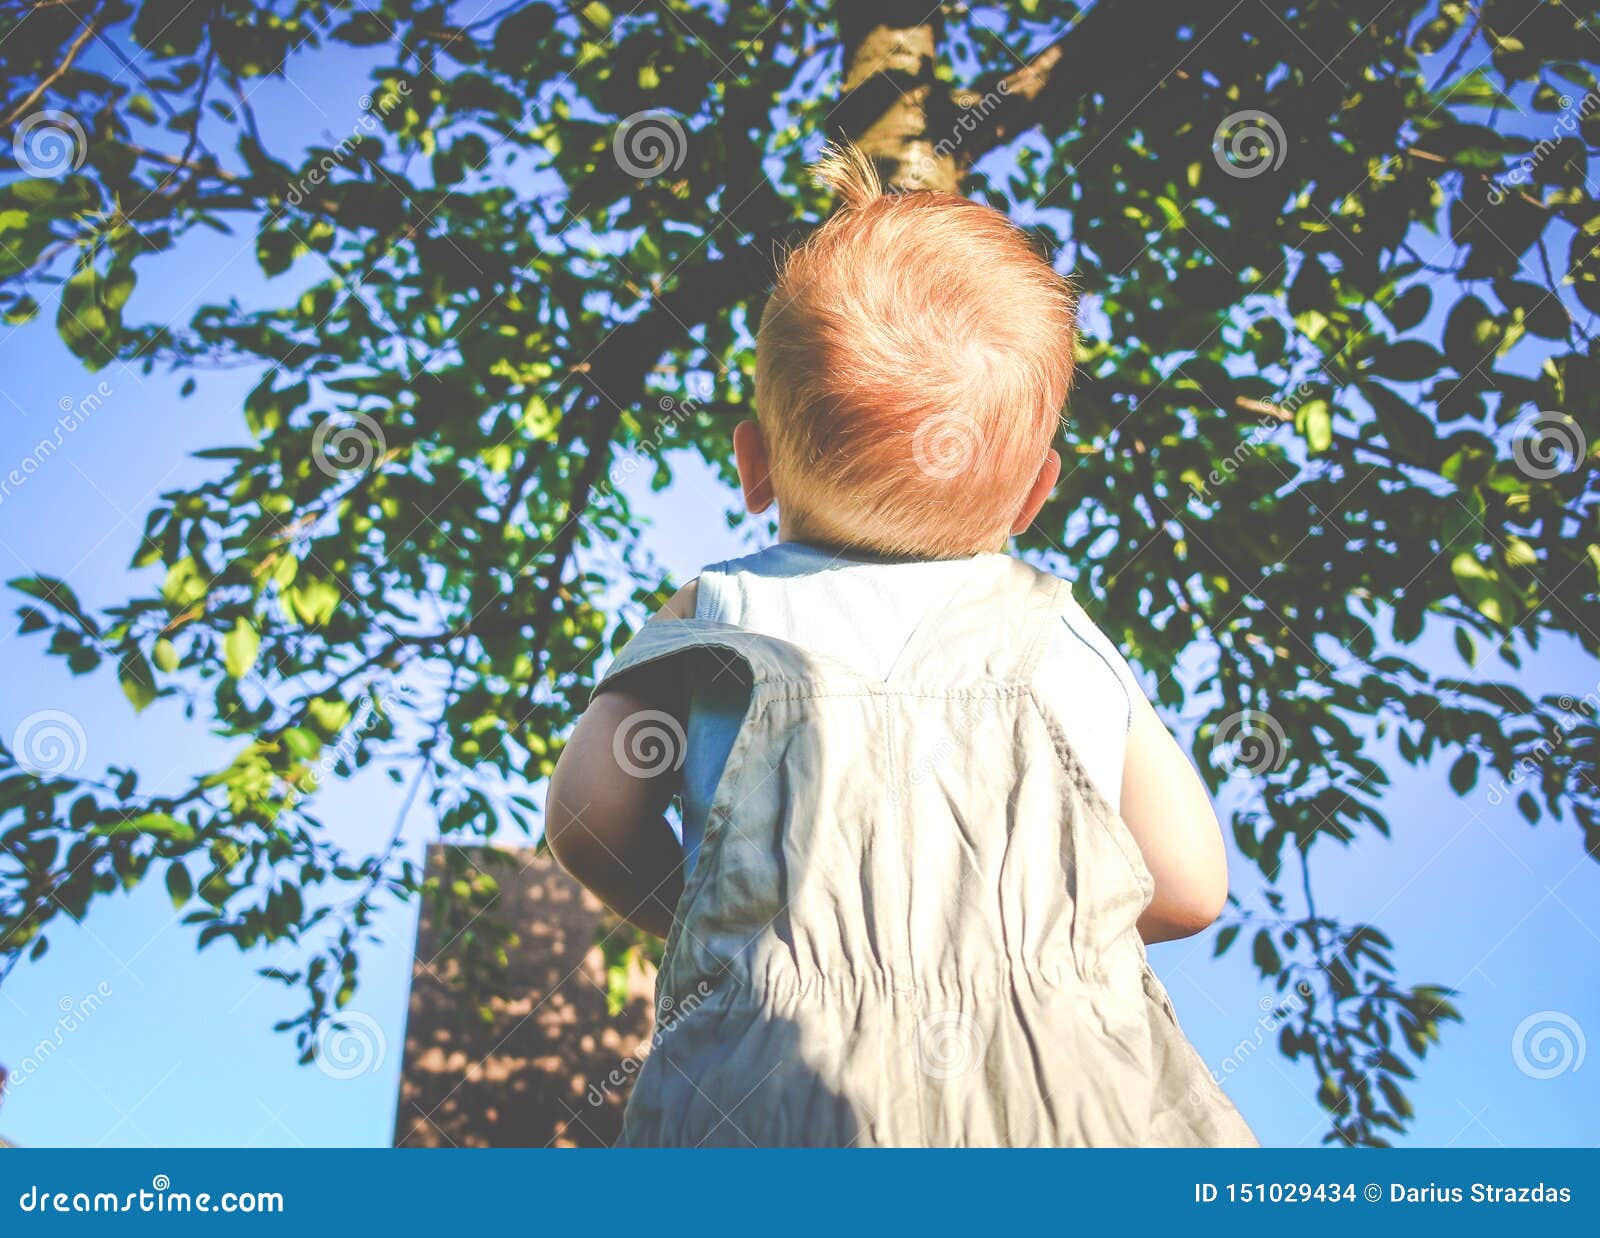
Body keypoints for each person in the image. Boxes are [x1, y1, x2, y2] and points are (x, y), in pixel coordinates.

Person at [546, 144, 1256, 1147]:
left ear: (753, 462)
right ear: (1033, 493)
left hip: (769, 1083)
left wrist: (725, 925)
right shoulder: (1051, 621)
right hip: (1077, 1101)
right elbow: (1190, 883)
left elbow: (588, 812)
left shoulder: (720, 601)